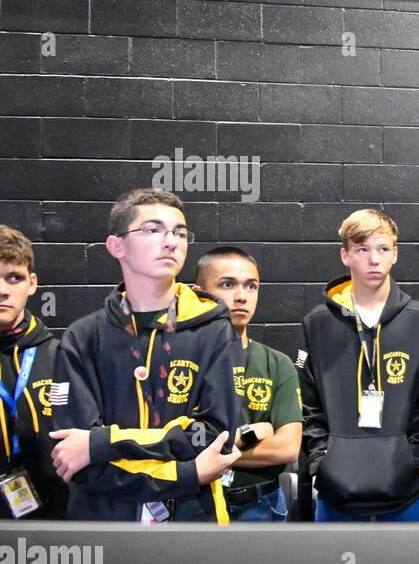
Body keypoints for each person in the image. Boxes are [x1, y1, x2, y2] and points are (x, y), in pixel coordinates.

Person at [50, 188, 241, 523]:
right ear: (116, 246)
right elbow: (78, 464)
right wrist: (186, 473)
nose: (171, 241)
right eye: (153, 230)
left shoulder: (213, 329)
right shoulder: (82, 338)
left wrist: (102, 442)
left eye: (180, 232)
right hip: (103, 523)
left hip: (192, 520)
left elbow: (214, 438)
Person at [299, 209, 419, 523]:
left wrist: (412, 457)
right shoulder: (317, 323)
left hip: (406, 489)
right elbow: (308, 404)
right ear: (345, 255)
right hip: (336, 490)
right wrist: (323, 459)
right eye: (362, 249)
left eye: (383, 249)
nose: (373, 259)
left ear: (395, 255)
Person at [195, 247, 302, 523]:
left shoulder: (277, 364)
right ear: (199, 292)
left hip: (261, 505)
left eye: (251, 286)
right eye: (227, 284)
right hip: (196, 502)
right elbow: (175, 448)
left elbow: (287, 448)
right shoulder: (180, 361)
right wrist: (255, 433)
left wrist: (217, 450)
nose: (241, 296)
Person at [0, 225, 68, 519]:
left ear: (32, 283)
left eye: (14, 278)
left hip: (55, 521)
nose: (2, 290)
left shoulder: (63, 358)